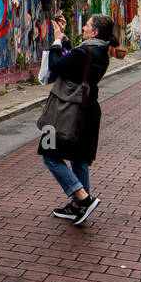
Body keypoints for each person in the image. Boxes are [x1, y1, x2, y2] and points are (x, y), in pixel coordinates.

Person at [39, 13, 114, 226]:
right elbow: (74, 58)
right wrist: (64, 38)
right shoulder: (100, 51)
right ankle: (78, 207)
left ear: (95, 32)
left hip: (64, 112)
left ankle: (82, 197)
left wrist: (55, 40)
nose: (83, 27)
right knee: (79, 159)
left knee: (49, 154)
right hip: (88, 113)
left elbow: (57, 65)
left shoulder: (86, 52)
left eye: (87, 25)